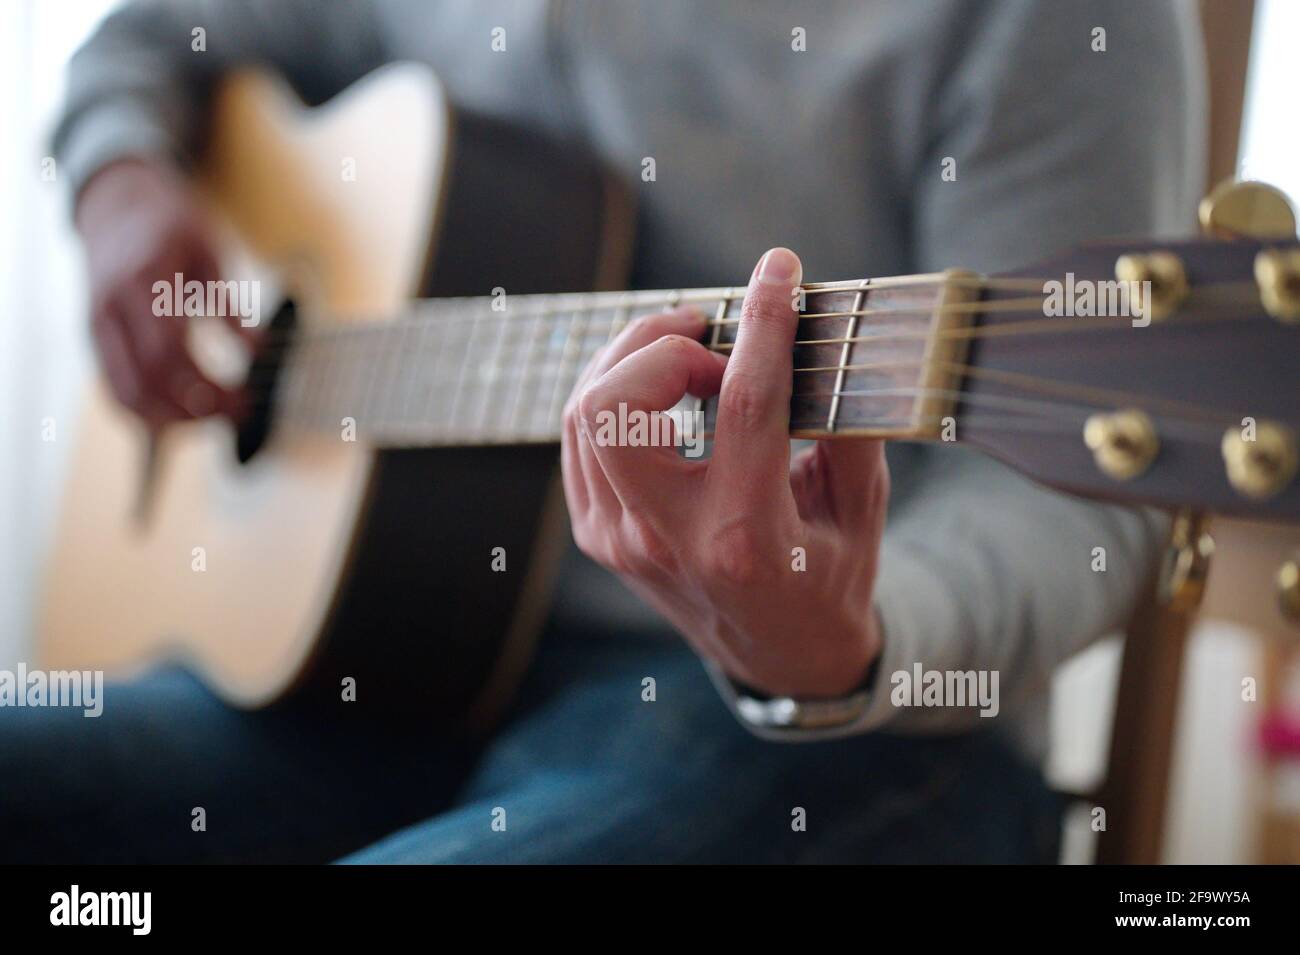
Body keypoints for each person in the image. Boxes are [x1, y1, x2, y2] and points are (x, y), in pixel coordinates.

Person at [1, 0, 1204, 863]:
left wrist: (835, 646)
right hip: (366, 660)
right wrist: (119, 179)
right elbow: (158, 33)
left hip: (822, 735)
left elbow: (1086, 492)